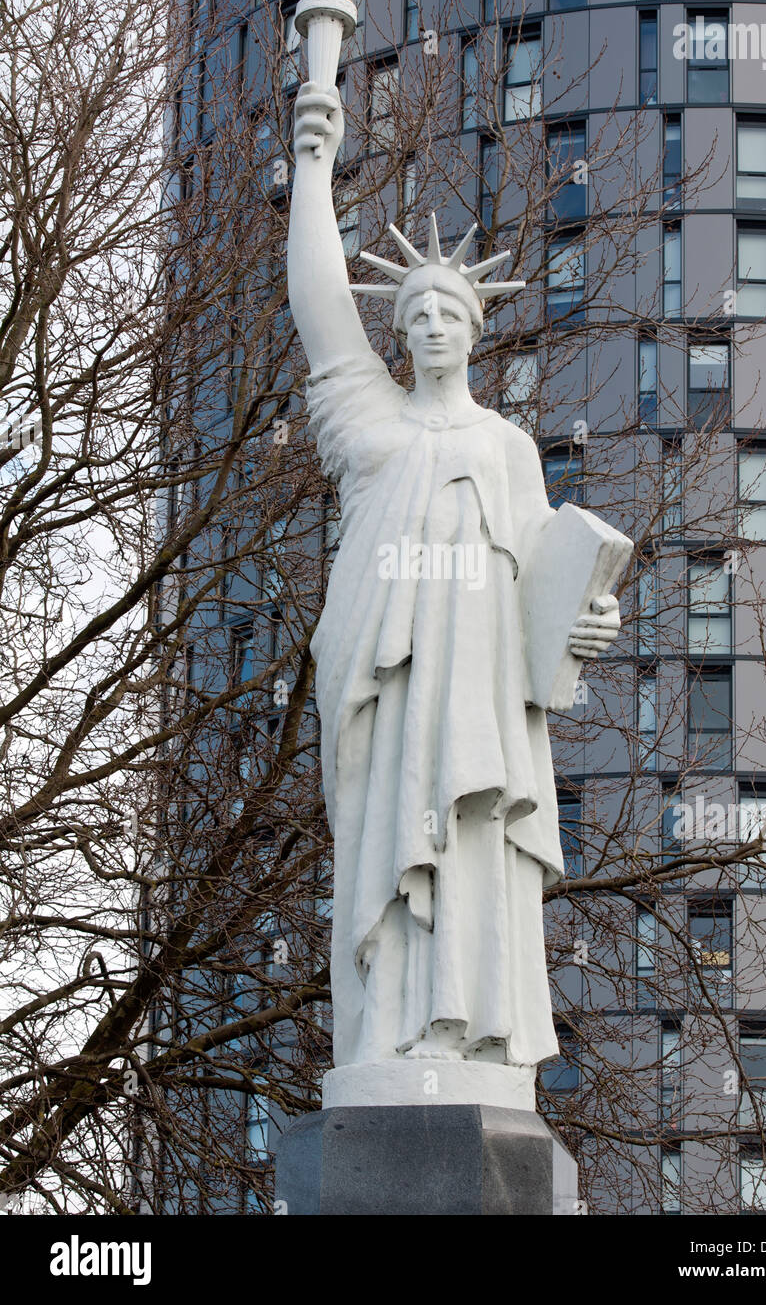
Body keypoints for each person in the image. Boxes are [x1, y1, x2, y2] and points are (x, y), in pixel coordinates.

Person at [288, 82, 621, 1069]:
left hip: (473, 713)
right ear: (398, 329)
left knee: (472, 853)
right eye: (416, 312)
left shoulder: (509, 449)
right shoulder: (371, 430)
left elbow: (540, 606)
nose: (432, 324)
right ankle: (389, 1034)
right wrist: (314, 163)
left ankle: (466, 1030)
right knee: (388, 863)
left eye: (449, 311)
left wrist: (584, 622)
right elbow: (315, 297)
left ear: (474, 330)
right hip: (388, 703)